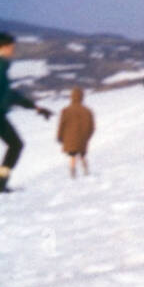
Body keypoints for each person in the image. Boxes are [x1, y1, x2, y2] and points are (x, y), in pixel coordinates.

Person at [0, 32, 54, 192]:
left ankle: (1, 183)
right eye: (12, 47)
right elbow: (9, 95)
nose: (13, 50)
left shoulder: (3, 67)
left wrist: (35, 107)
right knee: (16, 145)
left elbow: (10, 95)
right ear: (4, 47)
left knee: (16, 145)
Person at [57, 87, 95, 178]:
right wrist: (87, 137)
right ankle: (86, 171)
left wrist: (60, 137)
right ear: (82, 97)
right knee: (82, 155)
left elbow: (62, 125)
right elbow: (92, 127)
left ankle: (73, 174)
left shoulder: (66, 110)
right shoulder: (87, 111)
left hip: (70, 139)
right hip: (82, 138)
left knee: (72, 155)